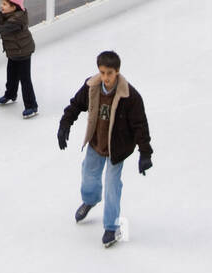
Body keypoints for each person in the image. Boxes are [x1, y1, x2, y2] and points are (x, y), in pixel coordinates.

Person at [57, 50, 152, 248]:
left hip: (117, 148)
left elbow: (140, 126)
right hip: (95, 142)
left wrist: (145, 153)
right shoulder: (92, 87)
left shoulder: (130, 96)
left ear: (117, 72)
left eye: (110, 73)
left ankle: (111, 226)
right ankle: (90, 200)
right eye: (102, 72)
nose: (106, 78)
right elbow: (75, 105)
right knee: (88, 178)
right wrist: (65, 124)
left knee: (112, 185)